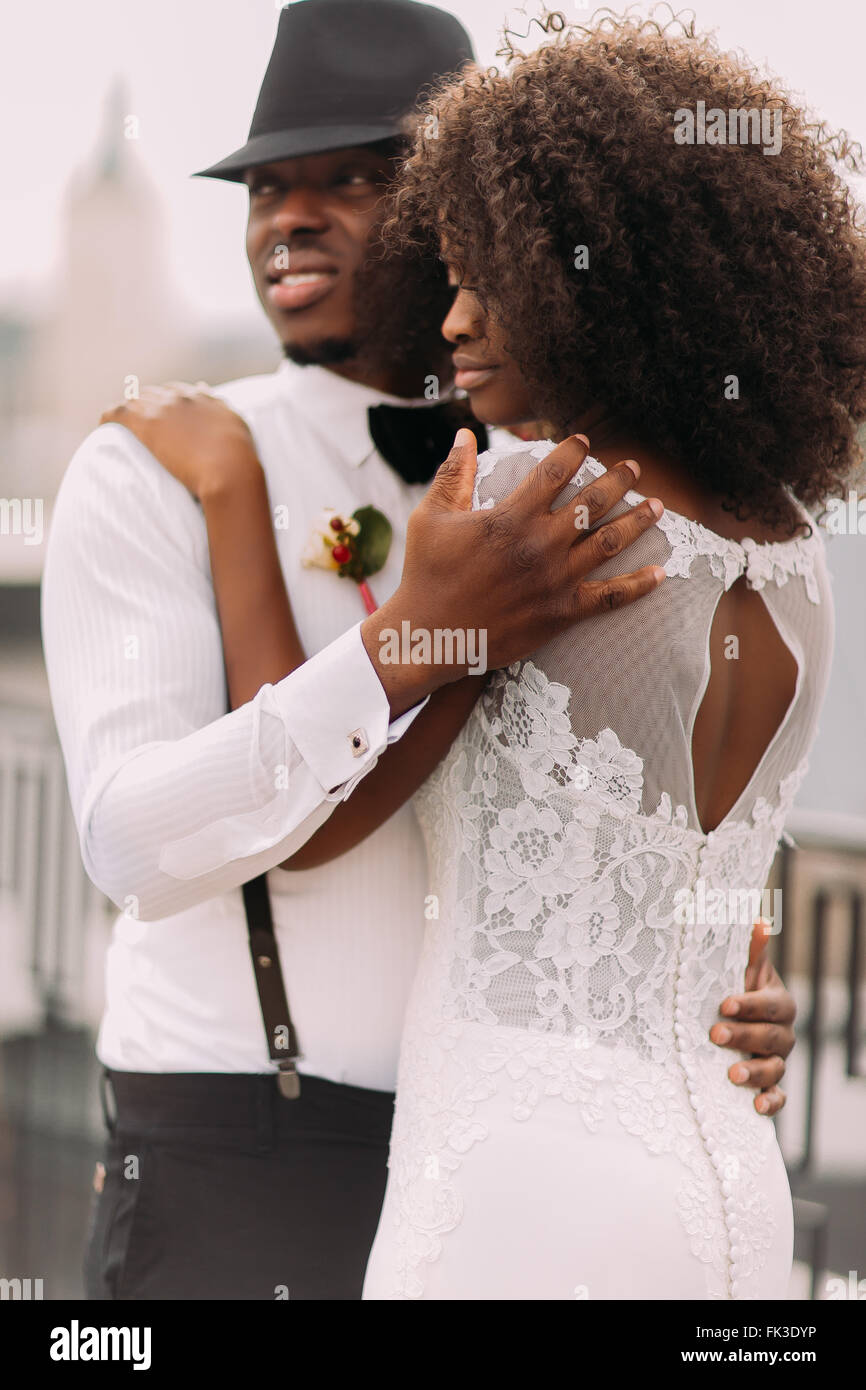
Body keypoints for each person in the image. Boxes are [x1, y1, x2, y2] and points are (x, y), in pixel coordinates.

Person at [42, 2, 797, 1301]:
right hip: (246, 1152)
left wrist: (729, 966)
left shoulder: (564, 487)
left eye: (349, 178)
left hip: (491, 1163)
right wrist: (410, 625)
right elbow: (131, 846)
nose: (291, 216)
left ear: (472, 216)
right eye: (268, 187)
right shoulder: (153, 467)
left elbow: (674, 778)